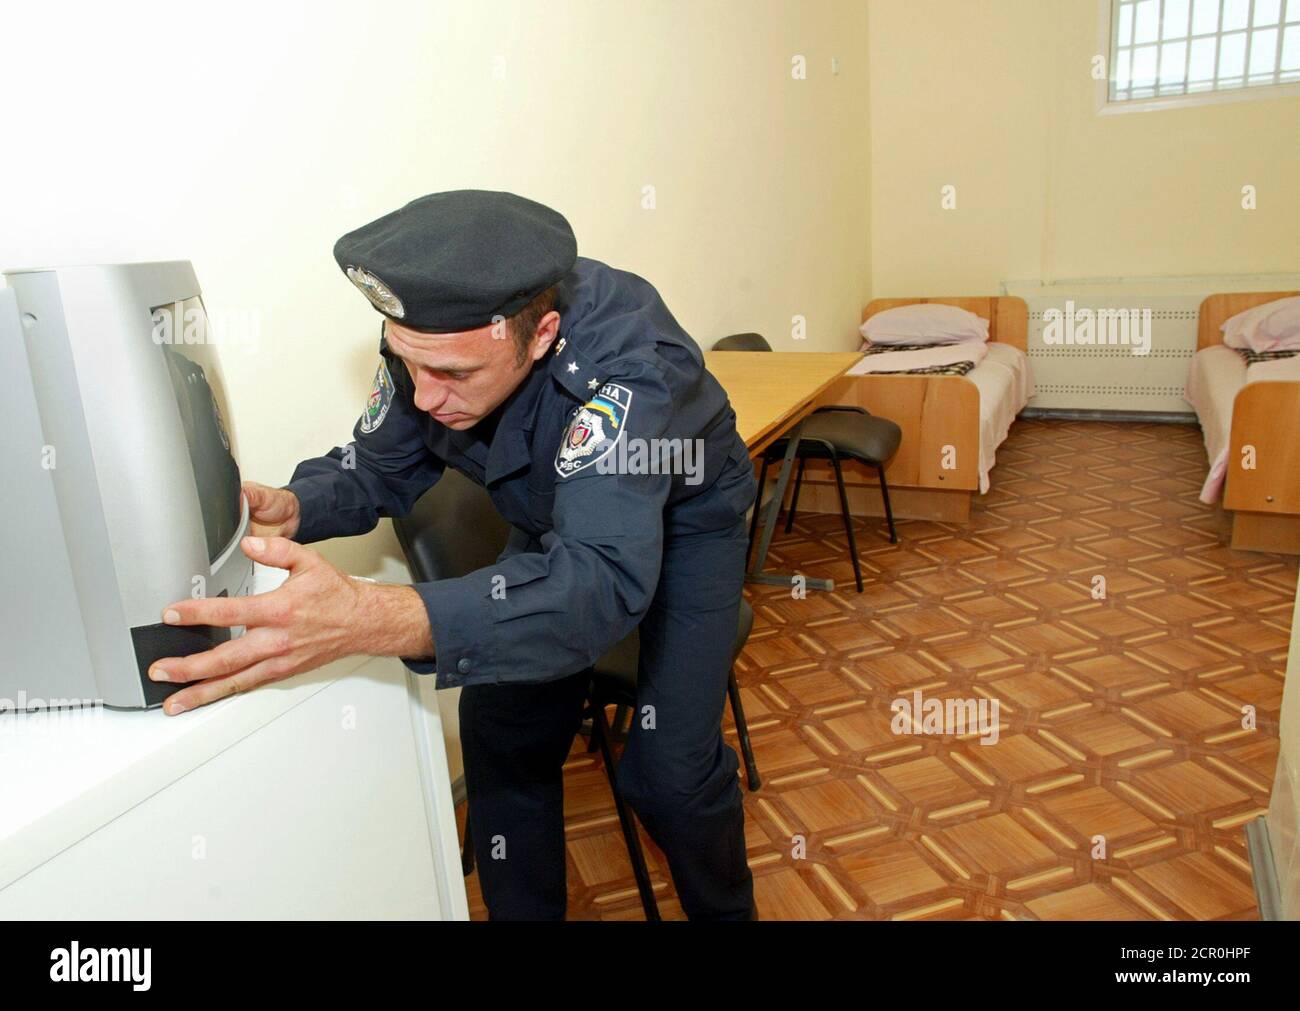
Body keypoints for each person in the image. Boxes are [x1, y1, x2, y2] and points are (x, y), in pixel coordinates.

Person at [149, 189, 759, 920]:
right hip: (556, 511)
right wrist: (299, 503)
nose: (426, 396)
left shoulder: (623, 373)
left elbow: (597, 582)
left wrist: (376, 615)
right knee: (501, 730)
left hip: (688, 513)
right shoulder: (435, 343)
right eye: (411, 366)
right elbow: (381, 466)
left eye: (456, 377)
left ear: (541, 338)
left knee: (669, 776)